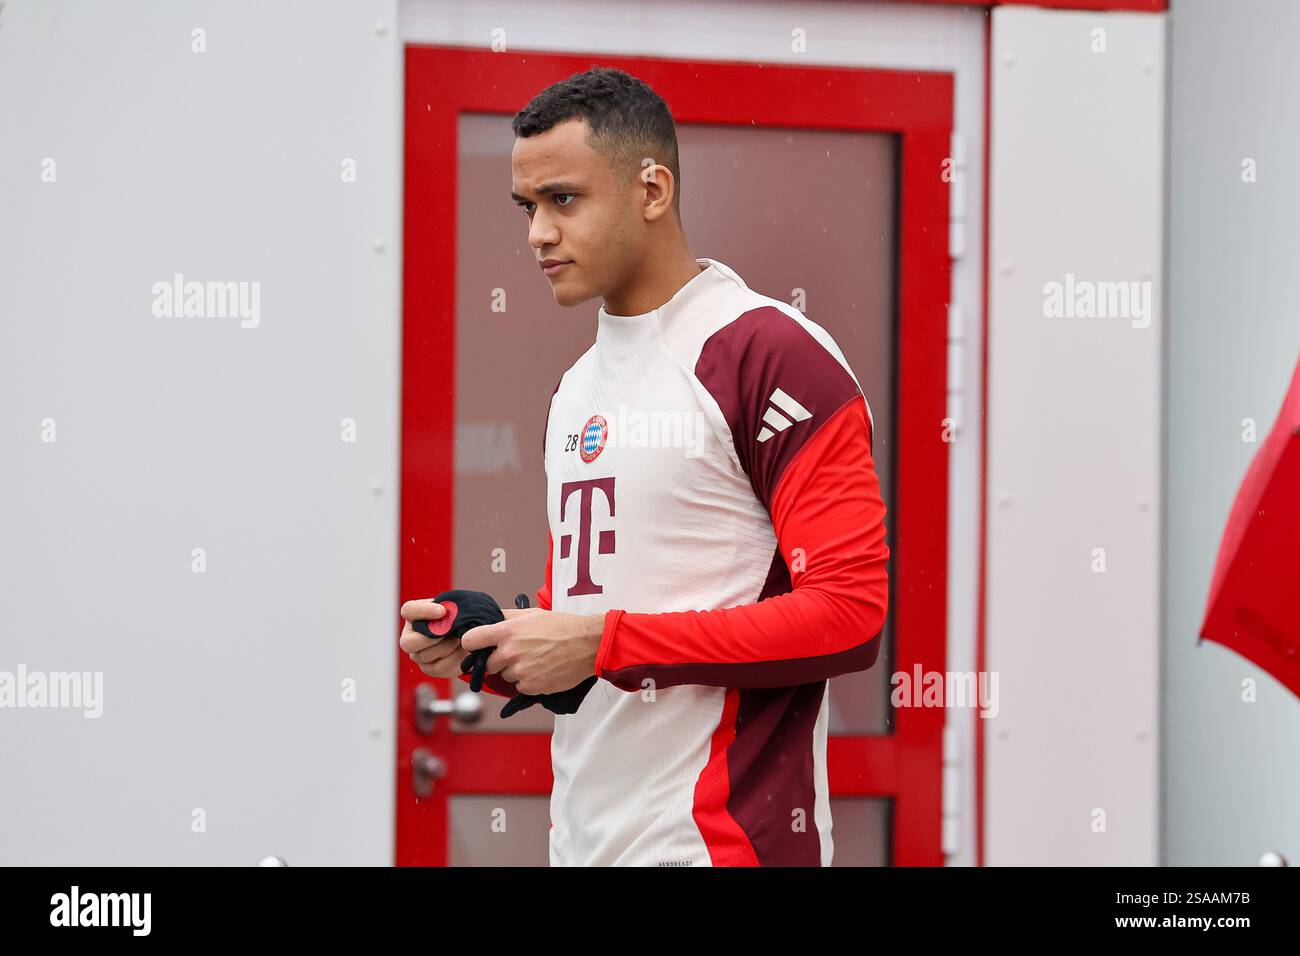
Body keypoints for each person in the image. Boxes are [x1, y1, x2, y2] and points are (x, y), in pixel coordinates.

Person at [399, 66, 889, 867]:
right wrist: (497, 647)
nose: (538, 234)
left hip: (719, 847)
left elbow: (849, 614)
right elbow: (590, 645)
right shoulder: (576, 387)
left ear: (652, 190)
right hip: (585, 843)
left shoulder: (768, 352)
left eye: (563, 200)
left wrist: (600, 642)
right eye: (527, 207)